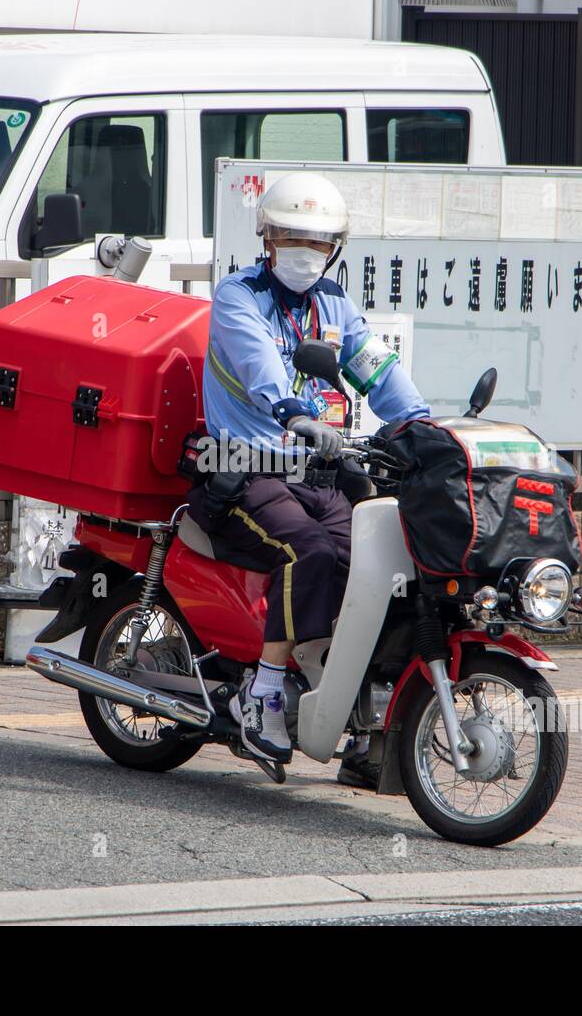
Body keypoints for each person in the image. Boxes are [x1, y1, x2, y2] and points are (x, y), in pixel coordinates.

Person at [188, 172, 430, 776]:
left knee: (374, 569)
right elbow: (260, 364)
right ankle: (263, 697)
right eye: (292, 236)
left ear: (335, 249)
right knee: (310, 555)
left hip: (318, 474)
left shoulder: (335, 308)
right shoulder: (238, 297)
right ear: (267, 237)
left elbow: (376, 367)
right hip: (246, 471)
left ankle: (353, 716)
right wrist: (295, 414)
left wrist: (424, 426)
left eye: (319, 242)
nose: (305, 251)